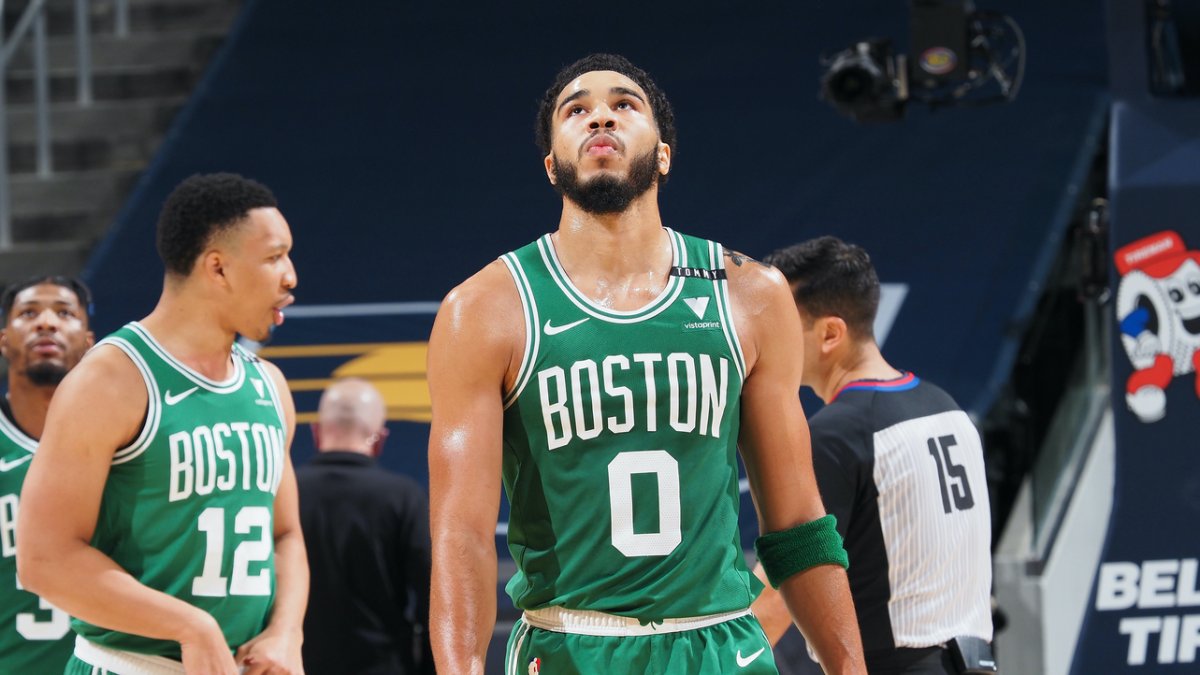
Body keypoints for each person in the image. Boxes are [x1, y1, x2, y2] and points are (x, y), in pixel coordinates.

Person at [426, 53, 866, 675]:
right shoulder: (484, 309)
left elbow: (796, 521)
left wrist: (849, 668)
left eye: (624, 105)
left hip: (720, 645)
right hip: (571, 644)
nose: (600, 116)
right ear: (551, 165)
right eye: (575, 110)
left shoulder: (749, 293)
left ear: (663, 155)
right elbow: (462, 535)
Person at [16, 173, 307, 675]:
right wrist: (190, 627)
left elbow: (286, 535)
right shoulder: (111, 380)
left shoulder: (269, 385)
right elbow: (44, 560)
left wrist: (286, 631)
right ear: (217, 267)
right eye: (274, 257)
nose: (290, 277)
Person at [751, 236, 996, 674]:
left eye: (783, 323)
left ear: (830, 333)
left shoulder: (838, 436)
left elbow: (776, 597)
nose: (770, 338)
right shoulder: (948, 408)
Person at [296, 377, 433, 675]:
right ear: (380, 439)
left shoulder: (285, 493)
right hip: (386, 666)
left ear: (316, 432)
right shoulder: (403, 498)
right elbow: (431, 594)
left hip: (295, 665)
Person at [0, 276, 95, 673]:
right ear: (4, 340)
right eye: (28, 313)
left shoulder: (128, 444)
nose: (46, 322)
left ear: (89, 342)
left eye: (64, 313)